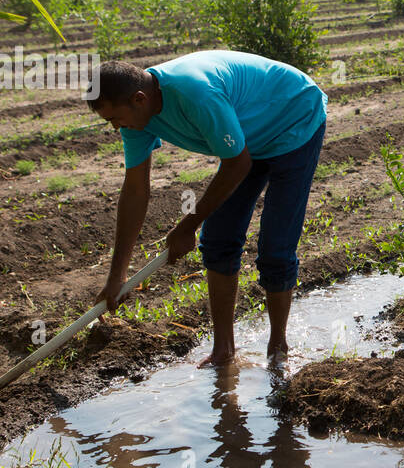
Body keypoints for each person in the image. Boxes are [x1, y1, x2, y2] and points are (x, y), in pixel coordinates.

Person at [86, 50, 326, 368]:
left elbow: (237, 163)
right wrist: (117, 275)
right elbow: (134, 190)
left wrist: (187, 226)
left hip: (293, 117)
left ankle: (278, 348)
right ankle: (224, 350)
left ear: (139, 99)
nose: (116, 128)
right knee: (218, 241)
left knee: (276, 247)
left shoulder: (195, 93)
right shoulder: (136, 121)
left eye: (114, 119)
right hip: (246, 139)